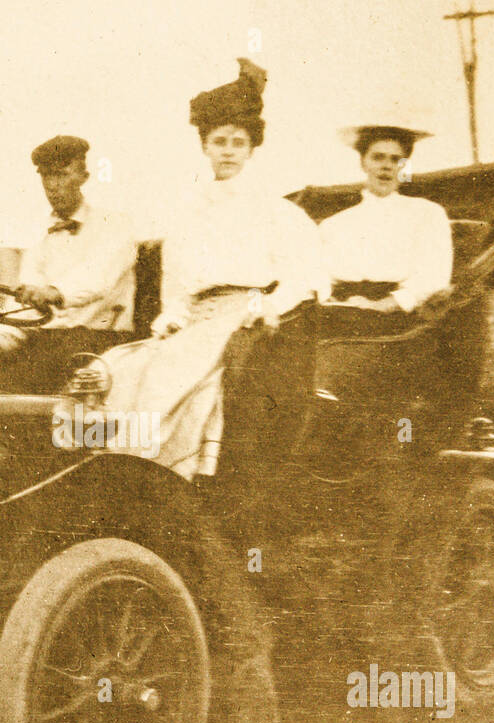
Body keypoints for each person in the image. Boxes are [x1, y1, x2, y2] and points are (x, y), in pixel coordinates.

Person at [64, 59, 325, 479]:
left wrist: (268, 306)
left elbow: (301, 276)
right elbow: (178, 287)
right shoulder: (188, 213)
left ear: (252, 149)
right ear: (205, 146)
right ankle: (104, 469)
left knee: (171, 377)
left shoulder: (274, 211)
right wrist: (172, 316)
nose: (228, 151)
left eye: (238, 143)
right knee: (118, 367)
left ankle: (156, 471)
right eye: (219, 141)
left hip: (245, 317)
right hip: (196, 321)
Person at [0, 135, 138, 394]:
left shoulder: (114, 225)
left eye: (62, 175)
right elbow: (25, 300)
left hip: (101, 338)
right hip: (50, 340)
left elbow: (97, 280)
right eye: (47, 177)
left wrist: (54, 293)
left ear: (84, 176)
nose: (53, 186)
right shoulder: (41, 238)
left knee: (26, 375)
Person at [319, 124, 453, 313]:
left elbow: (433, 277)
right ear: (363, 163)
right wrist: (331, 300)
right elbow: (319, 275)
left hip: (399, 317)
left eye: (396, 159)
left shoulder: (427, 214)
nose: (386, 166)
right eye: (377, 157)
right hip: (340, 311)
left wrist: (382, 305)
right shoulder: (334, 224)